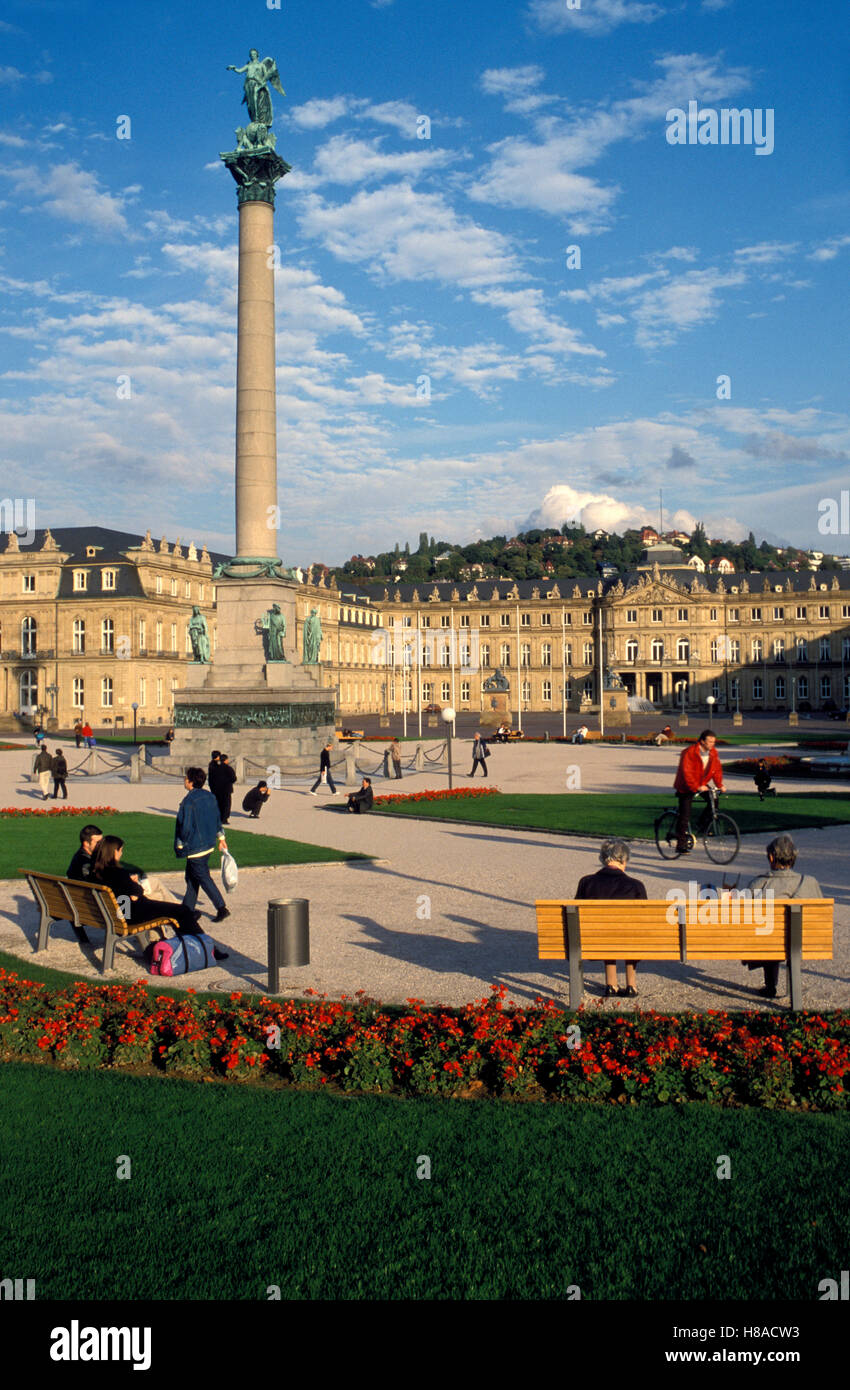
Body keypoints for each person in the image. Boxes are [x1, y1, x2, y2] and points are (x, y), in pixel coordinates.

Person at [90, 836, 225, 954]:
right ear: (114, 851)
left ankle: (201, 945)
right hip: (132, 914)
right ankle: (207, 948)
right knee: (182, 911)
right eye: (120, 850)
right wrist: (133, 886)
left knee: (175, 910)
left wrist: (131, 888)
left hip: (117, 912)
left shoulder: (96, 872)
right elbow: (137, 891)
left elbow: (128, 890)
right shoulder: (118, 872)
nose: (121, 853)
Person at [745, 835, 822, 998]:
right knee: (782, 934)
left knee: (768, 933)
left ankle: (770, 985)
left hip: (768, 942)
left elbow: (744, 919)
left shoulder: (758, 884)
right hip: (804, 941)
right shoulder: (810, 882)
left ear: (772, 857)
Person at [575, 839, 647, 998]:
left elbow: (575, 915)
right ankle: (631, 985)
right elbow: (644, 921)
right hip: (629, 940)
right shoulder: (636, 886)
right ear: (623, 860)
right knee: (633, 933)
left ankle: (611, 984)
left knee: (605, 932)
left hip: (596, 940)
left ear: (603, 859)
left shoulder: (586, 882)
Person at [175, 768, 231, 924]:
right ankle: (188, 911)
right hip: (207, 844)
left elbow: (184, 827)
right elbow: (216, 818)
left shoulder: (188, 801)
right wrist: (221, 837)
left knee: (202, 877)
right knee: (192, 878)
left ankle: (221, 908)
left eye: (186, 778)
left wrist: (181, 844)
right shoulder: (210, 796)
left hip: (195, 847)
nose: (184, 781)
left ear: (191, 781)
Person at [67, 823, 166, 898]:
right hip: (114, 904)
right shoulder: (88, 864)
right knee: (158, 895)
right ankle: (180, 915)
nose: (102, 845)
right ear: (86, 844)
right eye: (98, 842)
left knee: (155, 882)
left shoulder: (79, 859)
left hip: (93, 902)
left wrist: (127, 879)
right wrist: (128, 881)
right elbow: (110, 883)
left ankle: (180, 911)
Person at [673, 728, 725, 855]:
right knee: (685, 815)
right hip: (686, 785)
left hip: (700, 783)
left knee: (714, 799)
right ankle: (681, 844)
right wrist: (696, 786)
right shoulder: (689, 752)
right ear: (702, 741)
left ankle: (701, 825)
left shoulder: (713, 753)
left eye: (714, 742)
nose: (712, 744)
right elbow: (687, 772)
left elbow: (716, 770)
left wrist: (720, 785)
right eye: (710, 742)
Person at [209, 751, 237, 825]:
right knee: (226, 804)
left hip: (216, 789)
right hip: (226, 789)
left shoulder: (213, 767)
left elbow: (211, 779)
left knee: (219, 804)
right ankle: (224, 819)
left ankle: (218, 818)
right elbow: (233, 778)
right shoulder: (227, 768)